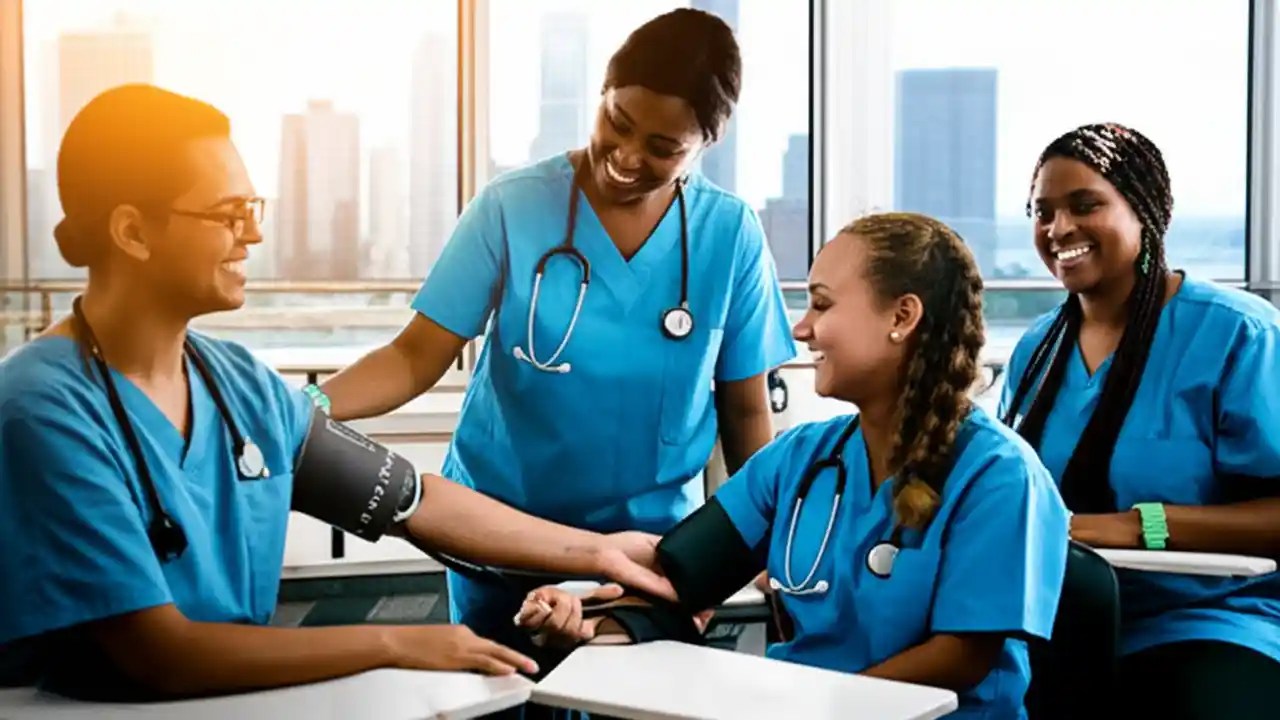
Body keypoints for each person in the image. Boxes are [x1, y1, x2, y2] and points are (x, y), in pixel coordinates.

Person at [0, 83, 675, 702]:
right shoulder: (43, 407)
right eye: (229, 214)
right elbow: (157, 654)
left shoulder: (239, 386)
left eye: (253, 210)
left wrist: (600, 550)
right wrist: (397, 643)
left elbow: (415, 500)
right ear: (132, 231)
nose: (253, 234)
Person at [317, 6, 795, 675]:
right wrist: (302, 409)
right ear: (601, 93)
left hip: (647, 556)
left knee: (632, 700)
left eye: (662, 148)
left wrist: (769, 542)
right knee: (499, 691)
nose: (626, 157)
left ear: (705, 145)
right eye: (617, 122)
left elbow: (744, 410)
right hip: (500, 534)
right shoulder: (513, 205)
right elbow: (412, 356)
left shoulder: (731, 234)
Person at [519, 212, 1072, 719]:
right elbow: (680, 577)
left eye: (822, 305)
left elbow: (961, 657)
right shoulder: (801, 457)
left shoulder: (999, 475)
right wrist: (584, 619)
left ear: (902, 316)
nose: (802, 329)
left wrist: (817, 708)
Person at [997, 122, 1280, 718]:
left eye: (1085, 205)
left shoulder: (1237, 333)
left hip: (1210, 622)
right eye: (1043, 212)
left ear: (1145, 212)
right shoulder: (1037, 352)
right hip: (1052, 626)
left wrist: (1134, 526)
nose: (1059, 229)